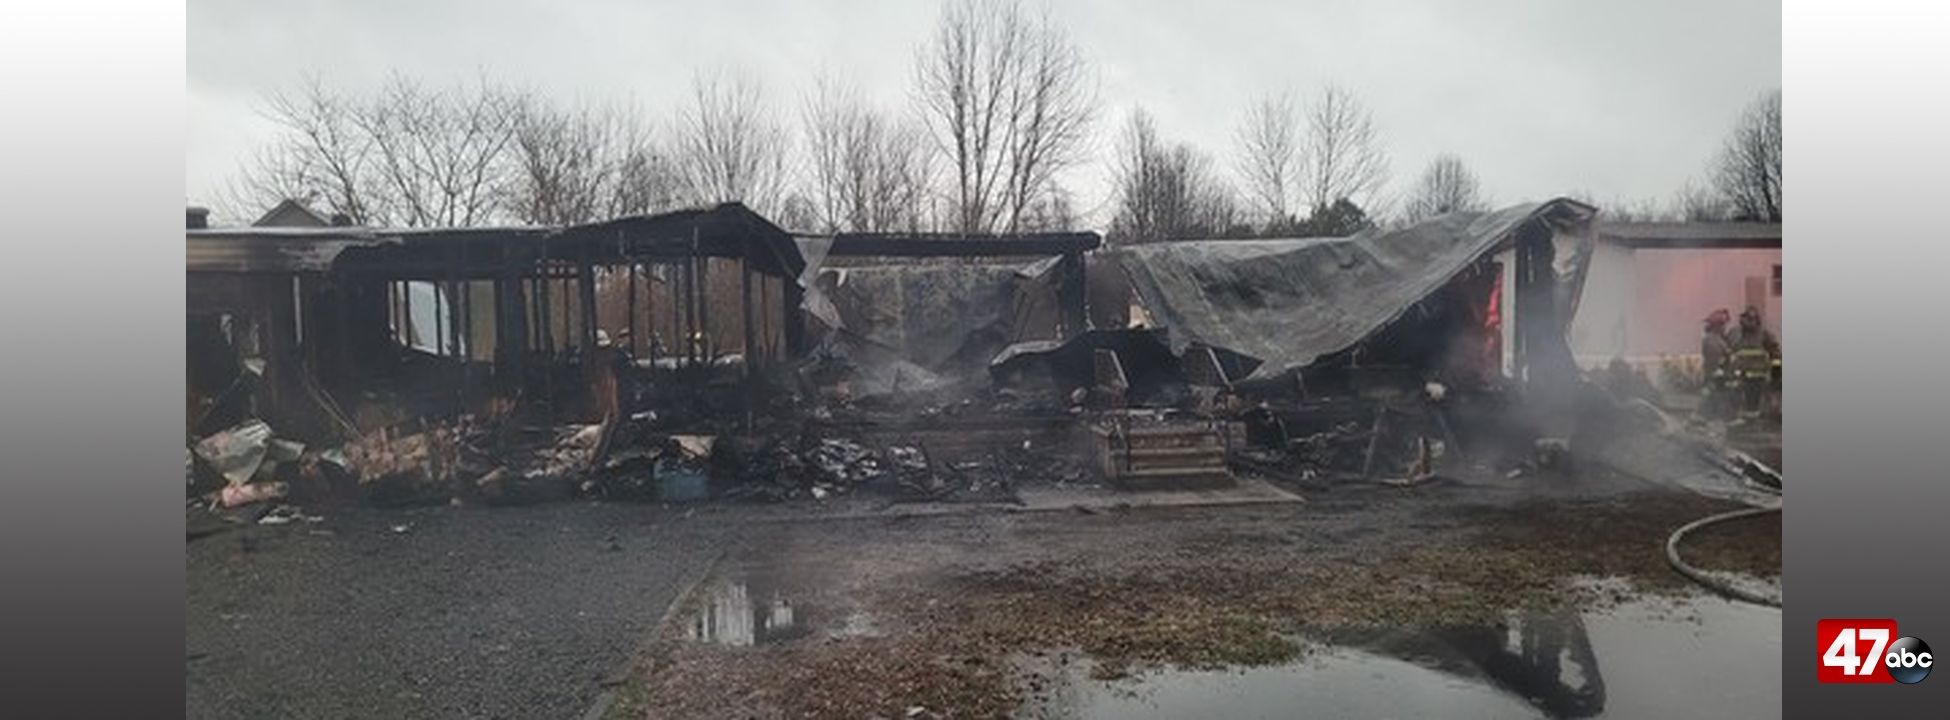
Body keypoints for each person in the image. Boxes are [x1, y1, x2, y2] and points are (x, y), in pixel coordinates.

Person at [1725, 306, 1781, 419]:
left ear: (1757, 320)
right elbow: (1728, 354)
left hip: (1759, 379)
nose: (1747, 322)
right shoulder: (1735, 335)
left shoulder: (1765, 335)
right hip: (1740, 378)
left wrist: (1776, 373)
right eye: (1745, 319)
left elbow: (1775, 354)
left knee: (1756, 405)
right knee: (1738, 405)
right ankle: (1743, 425)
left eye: (1751, 319)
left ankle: (1754, 425)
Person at [1699, 309, 1733, 418]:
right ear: (1717, 326)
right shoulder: (1712, 340)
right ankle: (1703, 422)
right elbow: (1715, 362)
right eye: (1723, 324)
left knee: (1714, 402)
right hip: (1716, 379)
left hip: (1718, 379)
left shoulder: (1718, 339)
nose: (1725, 327)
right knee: (1712, 403)